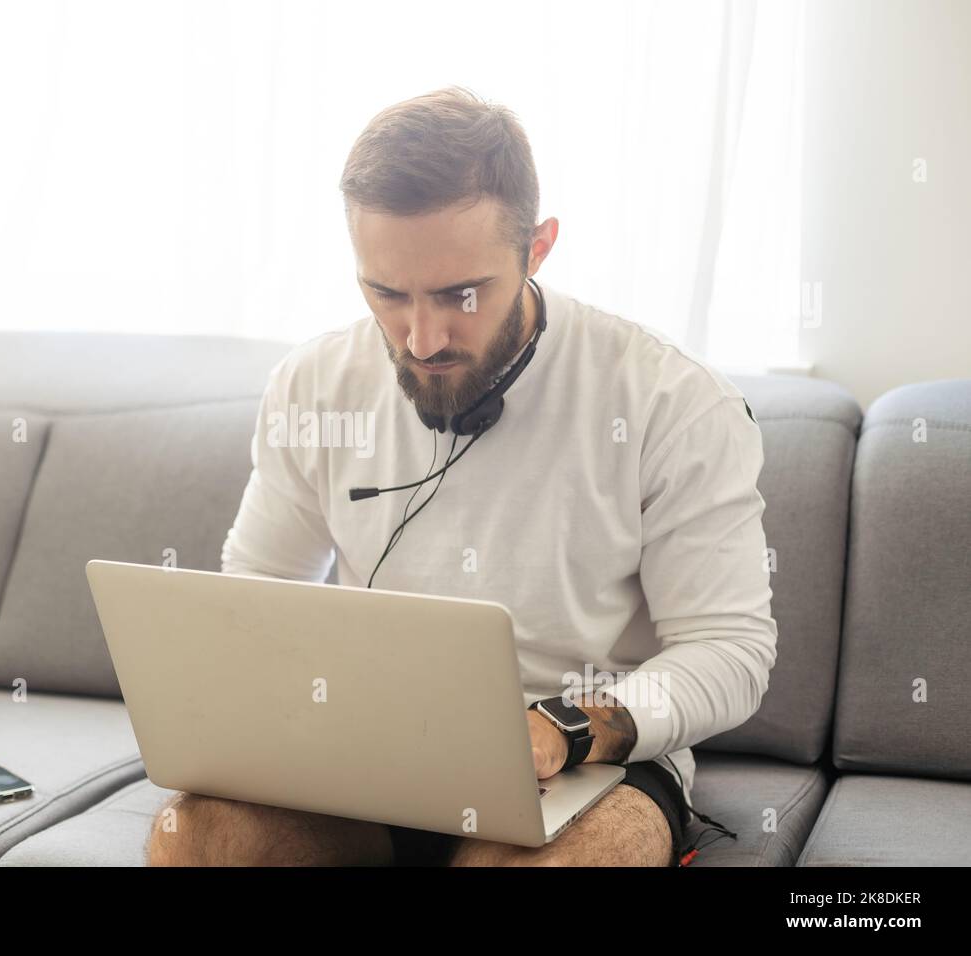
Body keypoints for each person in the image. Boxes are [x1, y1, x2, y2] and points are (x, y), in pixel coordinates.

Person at [147, 86, 776, 866]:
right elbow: (253, 595)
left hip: (593, 764)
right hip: (365, 752)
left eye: (460, 295)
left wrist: (567, 727)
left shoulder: (672, 402)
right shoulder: (312, 385)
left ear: (537, 249)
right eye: (387, 293)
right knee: (203, 837)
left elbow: (730, 650)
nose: (421, 337)